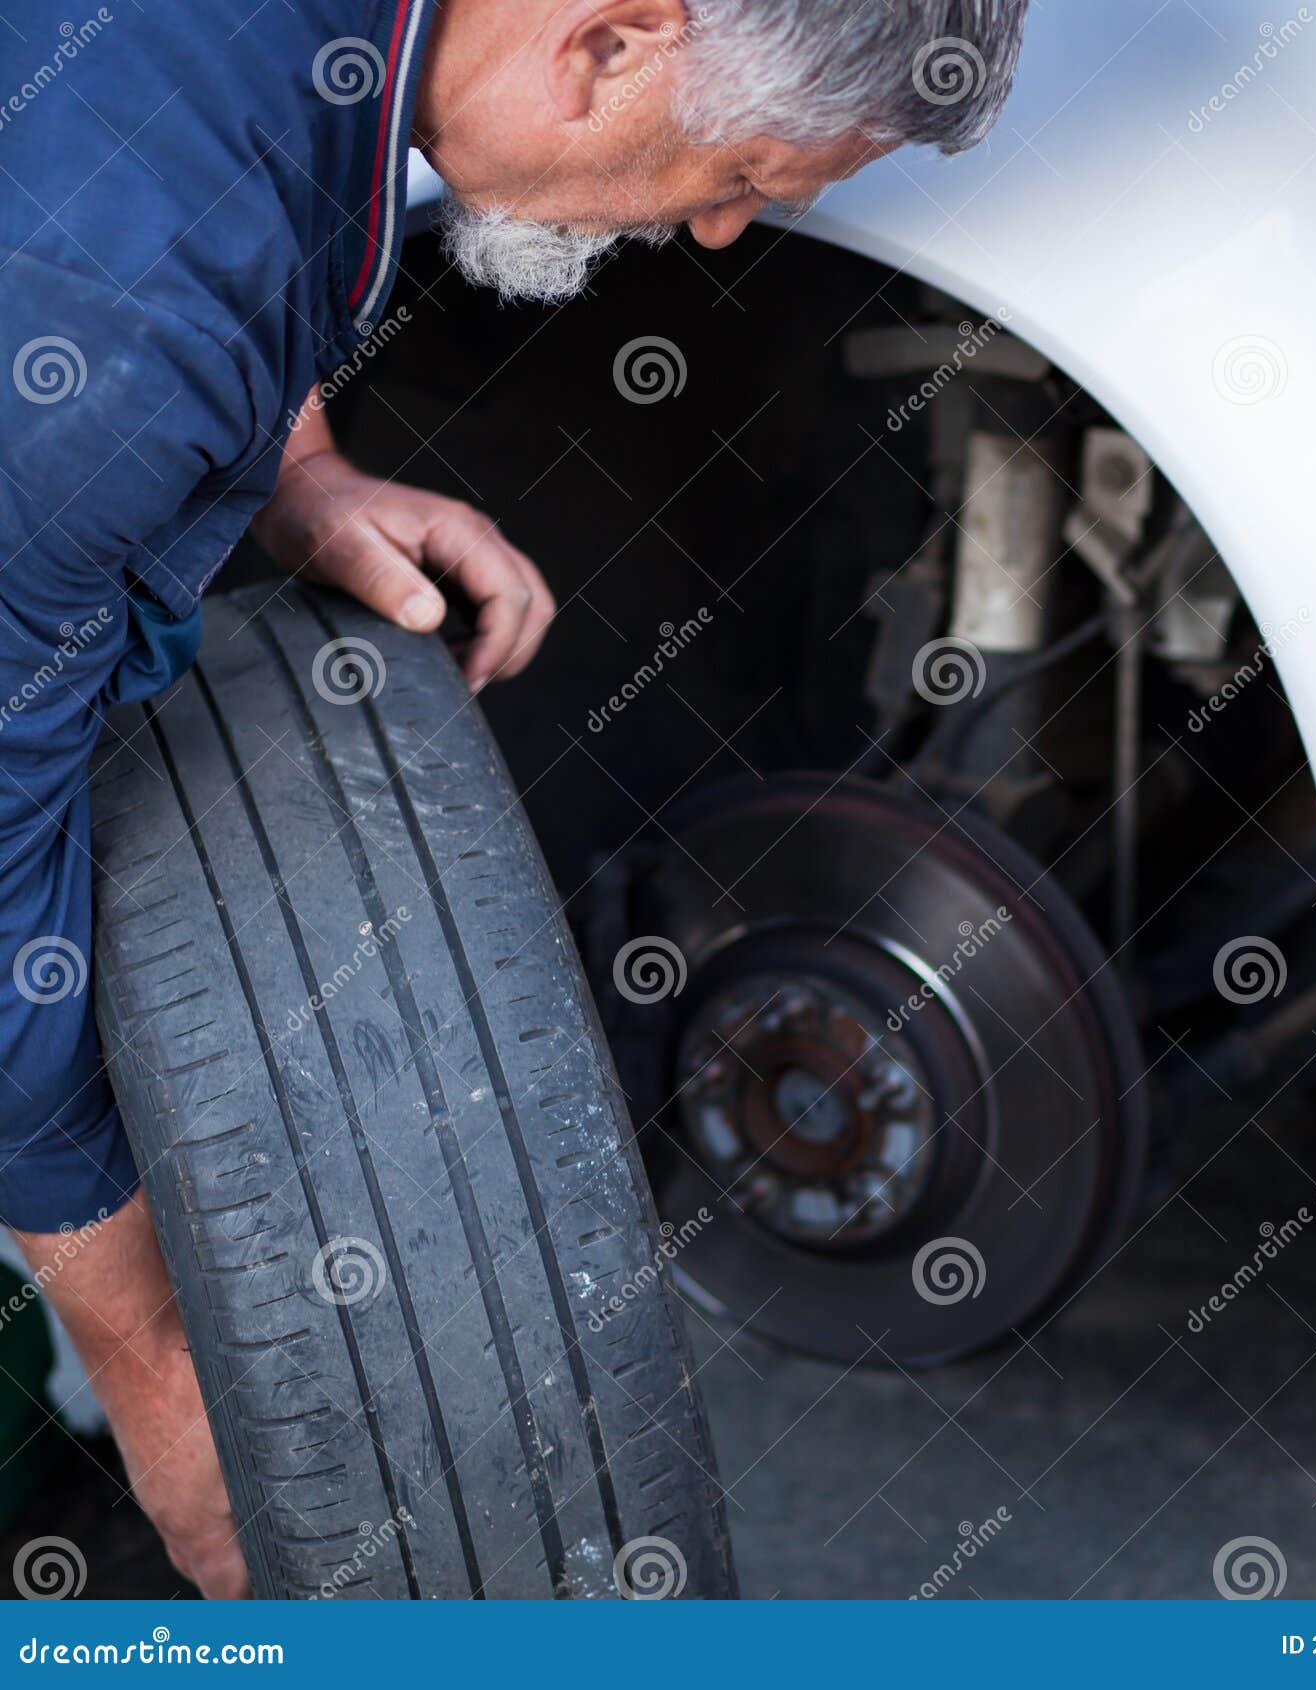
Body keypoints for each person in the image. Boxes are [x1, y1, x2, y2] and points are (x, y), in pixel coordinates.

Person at [0, 0, 1028, 1596]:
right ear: (611, 42)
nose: (713, 226)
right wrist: (158, 1370)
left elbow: (203, 155)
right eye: (739, 167)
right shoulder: (110, 341)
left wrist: (288, 464)